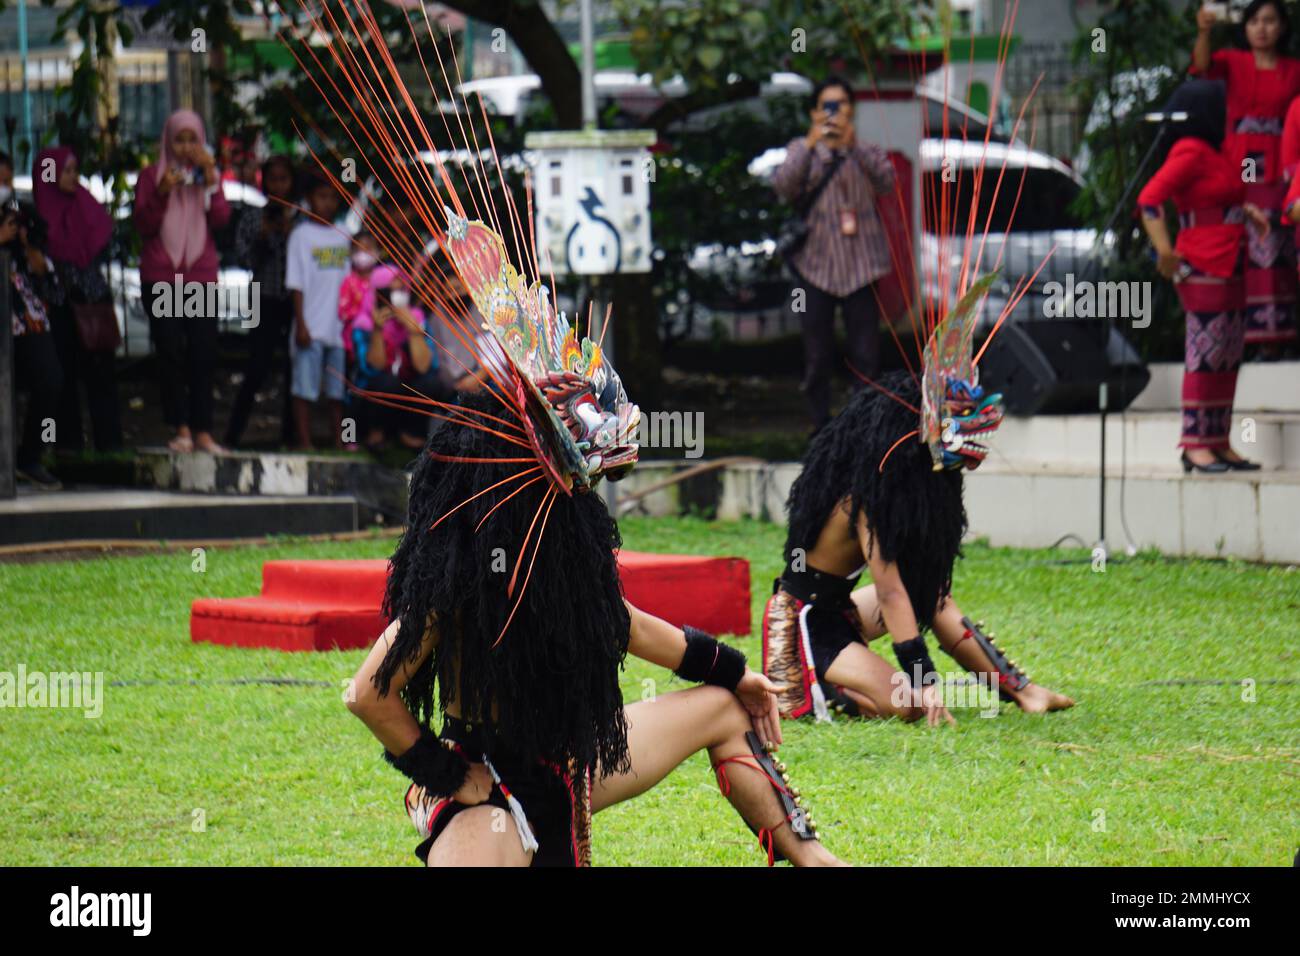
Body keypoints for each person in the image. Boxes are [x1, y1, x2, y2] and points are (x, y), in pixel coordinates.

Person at [347, 210, 842, 867]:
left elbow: (621, 624)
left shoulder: (562, 534)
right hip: (492, 796)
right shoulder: (461, 573)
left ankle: (812, 858)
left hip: (574, 765)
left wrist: (738, 672)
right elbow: (366, 693)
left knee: (728, 707)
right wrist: (448, 776)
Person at [762, 278, 1073, 725]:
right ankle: (822, 685)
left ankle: (1023, 692)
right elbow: (888, 591)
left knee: (930, 595)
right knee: (905, 704)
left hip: (843, 612)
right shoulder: (872, 493)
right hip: (801, 627)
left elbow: (931, 601)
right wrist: (925, 682)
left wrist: (1020, 690)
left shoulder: (913, 485)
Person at [1139, 80, 1268, 472]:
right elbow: (1149, 199)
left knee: (1228, 356)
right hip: (1201, 263)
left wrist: (1244, 211)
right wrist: (1163, 251)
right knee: (1205, 354)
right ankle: (1194, 443)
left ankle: (1219, 440)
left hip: (1231, 260)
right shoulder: (1189, 151)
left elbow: (1224, 193)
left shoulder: (1220, 151)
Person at [772, 74, 897, 434]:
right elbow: (783, 186)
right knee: (817, 355)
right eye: (826, 106)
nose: (833, 114)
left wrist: (852, 145)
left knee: (866, 355)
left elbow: (887, 182)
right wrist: (813, 143)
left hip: (863, 266)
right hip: (815, 267)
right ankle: (819, 427)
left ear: (851, 111)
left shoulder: (865, 150)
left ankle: (865, 426)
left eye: (840, 106)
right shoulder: (802, 149)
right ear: (813, 112)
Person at [1192, 0, 1300, 354]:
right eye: (1255, 21)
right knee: (1249, 237)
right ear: (1246, 27)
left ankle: (1279, 334)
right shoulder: (1234, 61)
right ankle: (1245, 334)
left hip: (1283, 159)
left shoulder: (1293, 68)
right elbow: (1202, 66)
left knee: (1278, 242)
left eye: (1269, 21)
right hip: (1246, 160)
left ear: (1282, 27)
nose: (1262, 28)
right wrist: (1204, 31)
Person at [133, 109, 231, 454]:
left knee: (203, 353)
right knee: (171, 351)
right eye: (180, 139)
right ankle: (182, 428)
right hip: (162, 276)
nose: (187, 146)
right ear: (168, 141)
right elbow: (143, 226)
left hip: (200, 276)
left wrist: (211, 177)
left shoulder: (207, 176)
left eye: (193, 139)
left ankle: (203, 430)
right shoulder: (151, 176)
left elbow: (220, 219)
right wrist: (161, 191)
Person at [32, 145, 123, 455]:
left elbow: (105, 243)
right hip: (58, 305)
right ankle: (67, 445)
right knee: (63, 378)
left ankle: (109, 444)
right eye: (65, 170)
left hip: (92, 301)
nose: (72, 177)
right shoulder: (38, 215)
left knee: (101, 376)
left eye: (74, 170)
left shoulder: (86, 203)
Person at [224, 155, 298, 449]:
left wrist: (292, 234)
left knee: (294, 370)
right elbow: (242, 257)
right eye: (273, 179)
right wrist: (262, 237)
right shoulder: (254, 217)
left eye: (284, 179)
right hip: (263, 299)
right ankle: (233, 435)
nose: (279, 185)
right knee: (256, 367)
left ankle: (291, 436)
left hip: (294, 303)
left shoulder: (301, 218)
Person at [285, 173, 349, 450]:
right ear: (310, 199)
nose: (327, 203)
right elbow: (295, 283)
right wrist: (301, 323)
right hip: (309, 324)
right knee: (305, 388)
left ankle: (339, 440)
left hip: (337, 327)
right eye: (322, 196)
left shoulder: (343, 235)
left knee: (337, 391)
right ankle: (305, 441)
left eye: (333, 197)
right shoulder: (300, 236)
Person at [2, 204, 64, 490]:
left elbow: (55, 292)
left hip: (32, 324)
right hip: (7, 325)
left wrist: (32, 252)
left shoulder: (27, 248)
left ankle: (33, 455)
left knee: (51, 382)